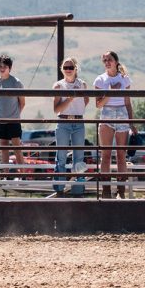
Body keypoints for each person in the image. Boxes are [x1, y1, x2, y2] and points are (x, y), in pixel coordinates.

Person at [94, 51, 133, 198]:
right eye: (104, 60)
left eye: (109, 59)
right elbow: (98, 104)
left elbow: (128, 102)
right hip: (107, 114)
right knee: (106, 154)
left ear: (116, 61)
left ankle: (121, 191)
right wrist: (110, 93)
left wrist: (131, 122)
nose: (107, 62)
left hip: (122, 113)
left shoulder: (125, 79)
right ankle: (106, 190)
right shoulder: (100, 80)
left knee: (121, 154)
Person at [52, 58, 89, 195]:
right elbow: (56, 109)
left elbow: (86, 101)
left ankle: (78, 190)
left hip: (78, 121)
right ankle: (59, 189)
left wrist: (75, 107)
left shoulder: (82, 84)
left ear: (75, 69)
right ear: (62, 69)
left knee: (79, 157)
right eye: (66, 67)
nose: (68, 70)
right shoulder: (58, 86)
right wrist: (70, 99)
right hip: (63, 121)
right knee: (61, 156)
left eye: (71, 67)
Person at [0, 55, 26, 166]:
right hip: (0, 121)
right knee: (4, 149)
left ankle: (22, 174)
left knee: (17, 148)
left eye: (5, 66)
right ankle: (5, 173)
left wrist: (15, 115)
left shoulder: (16, 83)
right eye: (0, 66)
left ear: (10, 68)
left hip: (13, 121)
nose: (2, 68)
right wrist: (1, 114)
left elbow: (22, 102)